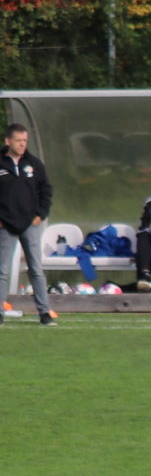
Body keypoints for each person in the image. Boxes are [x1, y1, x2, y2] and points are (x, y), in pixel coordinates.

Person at [0, 122, 57, 325]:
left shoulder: (34, 164)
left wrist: (40, 215)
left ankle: (44, 312)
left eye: (25, 141)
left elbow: (46, 191)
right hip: (5, 225)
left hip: (30, 224)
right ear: (8, 141)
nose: (22, 144)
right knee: (2, 270)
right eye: (18, 141)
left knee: (35, 268)